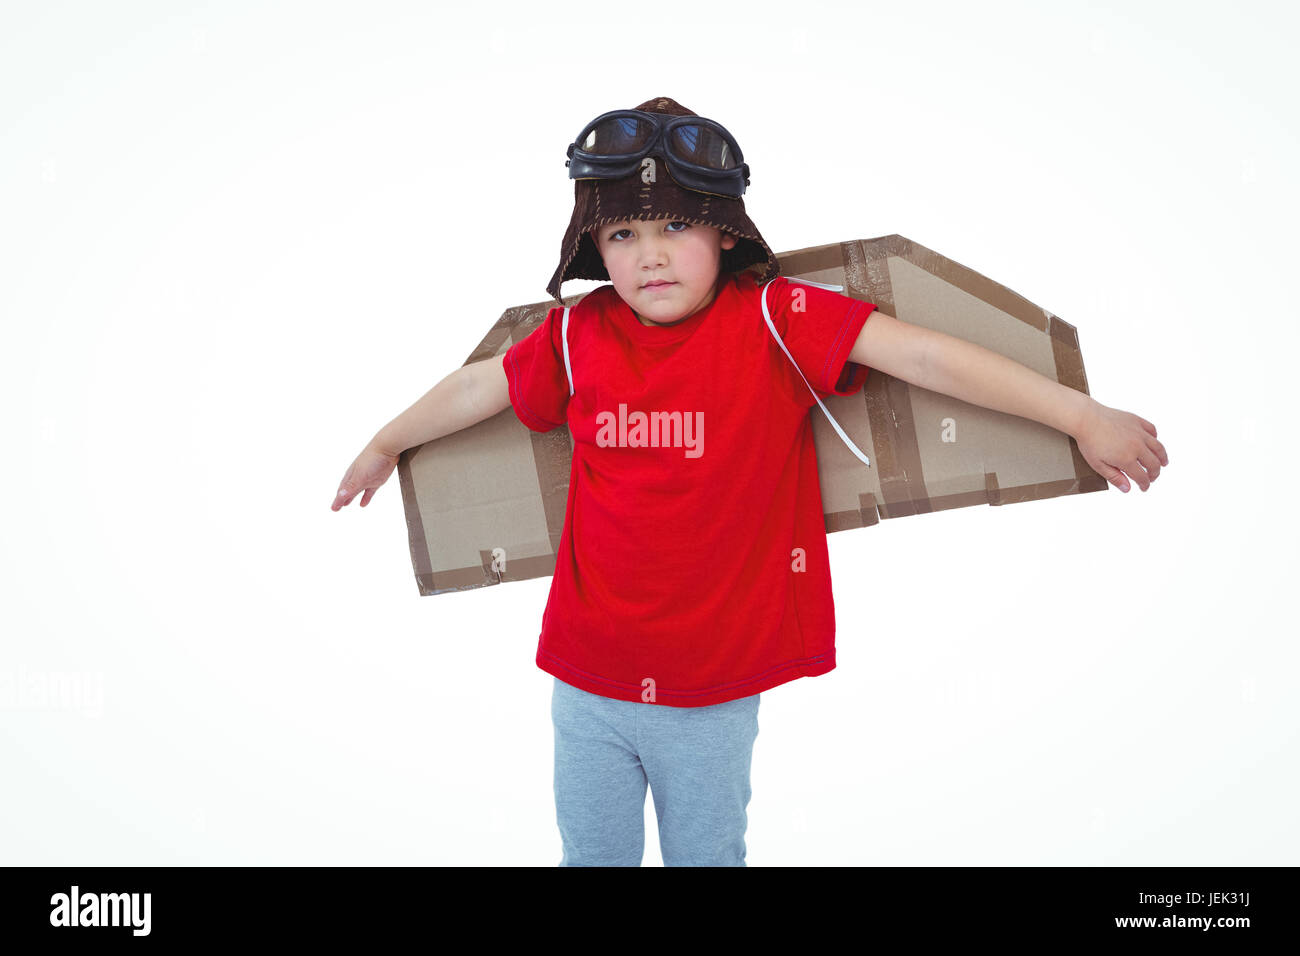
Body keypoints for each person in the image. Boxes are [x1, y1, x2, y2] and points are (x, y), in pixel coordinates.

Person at [331, 96, 1169, 866]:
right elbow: (482, 386)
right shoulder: (578, 332)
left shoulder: (776, 317)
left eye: (671, 228)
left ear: (723, 232)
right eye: (622, 235)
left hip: (711, 689)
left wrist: (1079, 415)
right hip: (585, 678)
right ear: (596, 249)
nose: (649, 256)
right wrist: (385, 440)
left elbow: (920, 353)